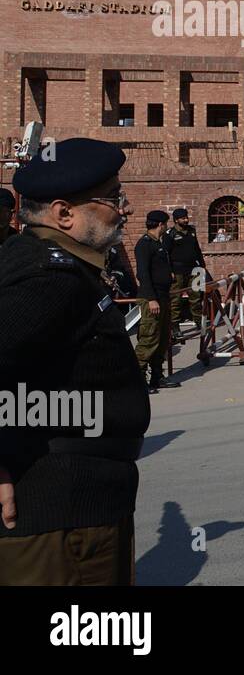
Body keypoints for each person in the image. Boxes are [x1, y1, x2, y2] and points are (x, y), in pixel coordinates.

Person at [0, 138, 150, 585]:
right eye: (113, 199)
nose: (123, 210)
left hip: (80, 508)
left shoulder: (56, 264)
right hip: (61, 520)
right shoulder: (50, 278)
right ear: (64, 214)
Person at [134, 211, 178, 393]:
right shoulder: (144, 245)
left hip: (163, 296)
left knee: (162, 339)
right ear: (160, 224)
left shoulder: (158, 243)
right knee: (149, 338)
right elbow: (143, 274)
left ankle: (157, 377)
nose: (167, 227)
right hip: (151, 298)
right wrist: (151, 299)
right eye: (166, 224)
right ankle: (137, 380)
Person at [163, 207, 205, 330]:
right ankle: (175, 326)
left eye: (186, 217)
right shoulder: (170, 234)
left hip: (194, 269)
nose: (186, 220)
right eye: (183, 218)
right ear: (176, 220)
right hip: (177, 271)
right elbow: (166, 253)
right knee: (175, 299)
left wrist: (202, 264)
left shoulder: (192, 231)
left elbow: (197, 248)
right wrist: (169, 270)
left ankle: (198, 322)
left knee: (196, 297)